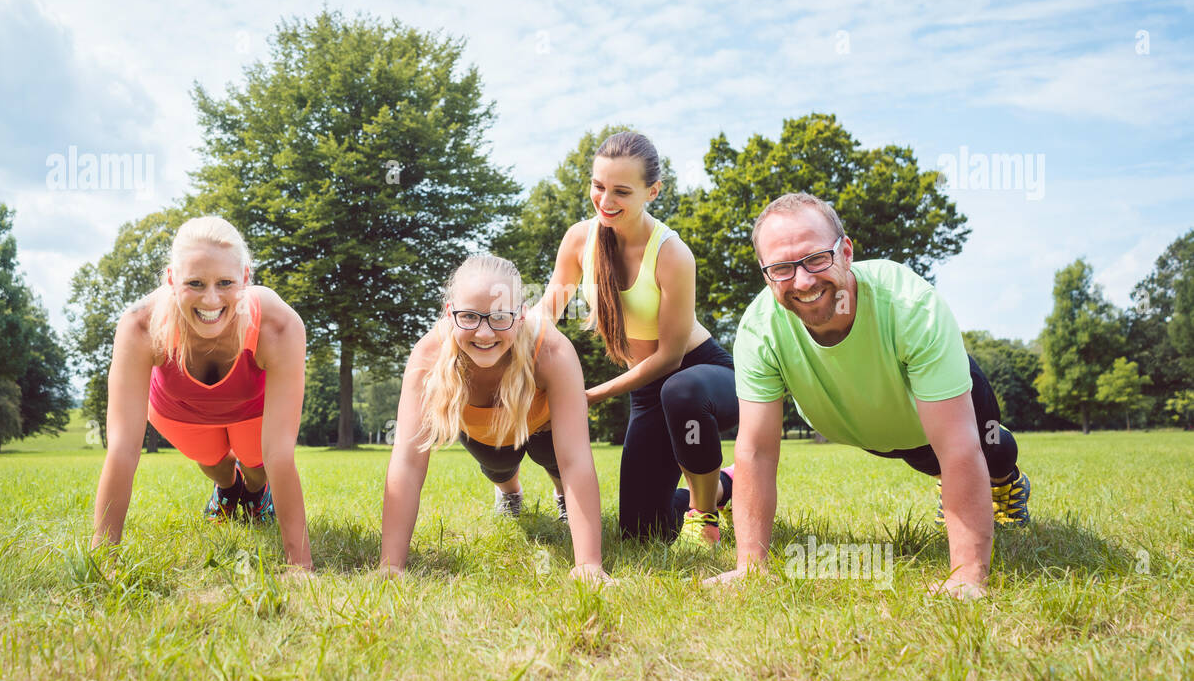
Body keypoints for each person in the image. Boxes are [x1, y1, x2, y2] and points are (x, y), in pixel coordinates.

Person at [711, 193, 1032, 599]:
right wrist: (750, 568)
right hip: (871, 430)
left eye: (816, 259)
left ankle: (1008, 485)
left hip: (935, 410)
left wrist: (967, 575)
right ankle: (953, 487)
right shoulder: (759, 329)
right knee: (927, 461)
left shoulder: (911, 306)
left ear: (845, 251)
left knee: (990, 451)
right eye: (782, 268)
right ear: (765, 274)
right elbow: (755, 452)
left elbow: (956, 445)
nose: (804, 281)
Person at [540, 131, 739, 550]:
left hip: (701, 378)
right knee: (639, 533)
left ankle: (704, 517)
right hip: (648, 391)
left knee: (679, 390)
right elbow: (546, 315)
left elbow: (669, 358)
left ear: (653, 191)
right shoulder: (580, 240)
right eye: (598, 186)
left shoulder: (672, 254)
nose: (605, 200)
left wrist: (590, 394)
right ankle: (726, 486)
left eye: (621, 191)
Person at [90, 215, 313, 571]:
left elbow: (281, 453)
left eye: (225, 282)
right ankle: (227, 489)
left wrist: (299, 567)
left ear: (245, 277)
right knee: (216, 466)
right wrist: (104, 561)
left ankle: (256, 494)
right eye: (195, 283)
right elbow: (123, 448)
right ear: (170, 280)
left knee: (258, 466)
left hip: (252, 408)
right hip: (179, 411)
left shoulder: (279, 324)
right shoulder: (140, 324)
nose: (211, 299)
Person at [379, 255, 610, 584]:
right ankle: (510, 492)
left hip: (543, 425)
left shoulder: (553, 352)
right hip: (486, 435)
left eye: (500, 317)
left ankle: (562, 497)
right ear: (450, 315)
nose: (484, 333)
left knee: (554, 457)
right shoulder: (428, 355)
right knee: (498, 463)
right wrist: (391, 565)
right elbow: (407, 462)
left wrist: (588, 564)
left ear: (520, 317)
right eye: (469, 317)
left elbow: (575, 458)